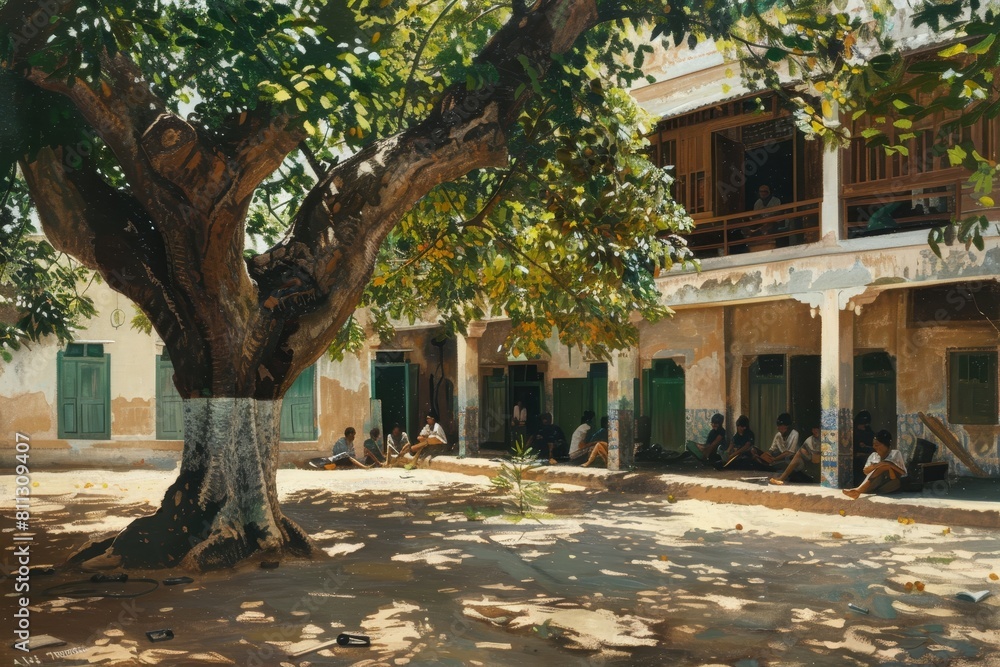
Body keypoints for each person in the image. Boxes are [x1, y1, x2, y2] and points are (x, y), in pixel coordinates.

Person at [843, 430, 906, 499]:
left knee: (885, 467)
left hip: (891, 485)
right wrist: (879, 465)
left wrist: (889, 465)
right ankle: (859, 490)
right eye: (874, 445)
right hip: (875, 485)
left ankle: (858, 490)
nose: (874, 447)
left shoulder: (895, 453)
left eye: (877, 445)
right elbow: (866, 471)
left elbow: (903, 473)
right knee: (882, 467)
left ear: (886, 445)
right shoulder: (874, 456)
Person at [853, 411, 876, 486]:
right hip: (856, 458)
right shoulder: (853, 431)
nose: (864, 426)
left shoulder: (868, 430)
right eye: (862, 425)